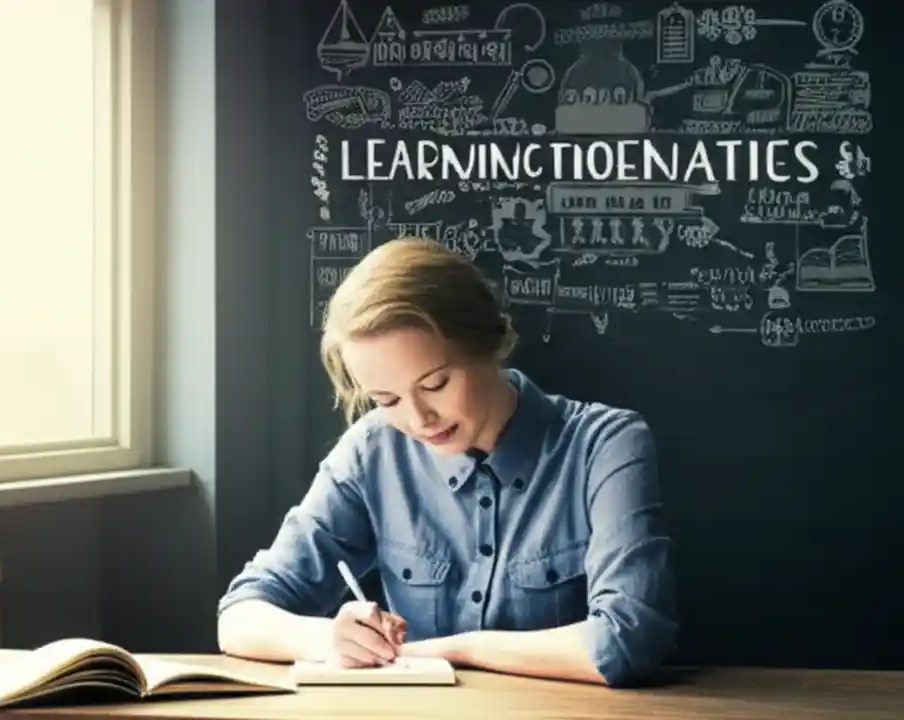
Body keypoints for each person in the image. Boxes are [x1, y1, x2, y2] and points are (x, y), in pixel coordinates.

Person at [215, 237, 677, 687]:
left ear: (487, 342)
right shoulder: (372, 450)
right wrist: (330, 639)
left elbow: (627, 639)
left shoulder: (605, 444)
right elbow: (239, 616)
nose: (418, 419)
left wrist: (457, 650)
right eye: (387, 399)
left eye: (435, 384)